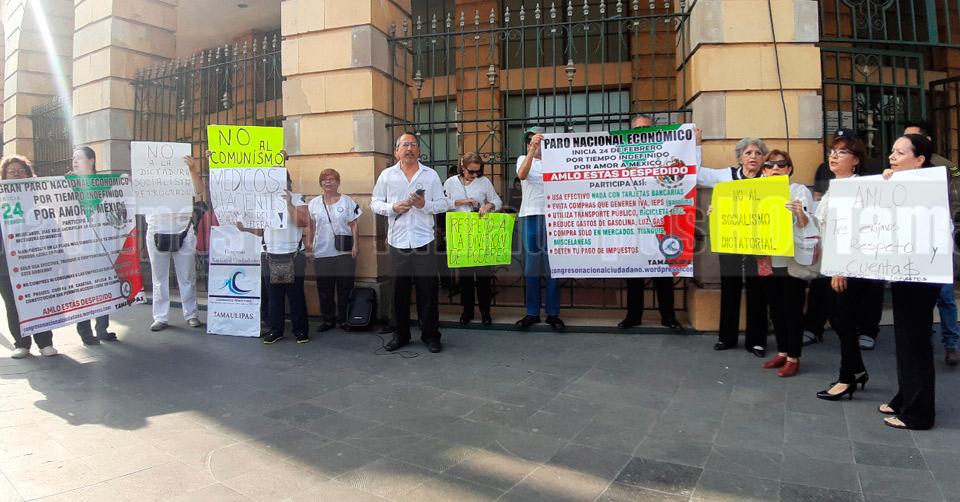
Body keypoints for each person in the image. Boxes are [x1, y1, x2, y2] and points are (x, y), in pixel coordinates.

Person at [876, 134, 943, 430]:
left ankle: (919, 413)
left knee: (915, 341)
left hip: (921, 276)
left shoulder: (930, 186)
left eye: (900, 153)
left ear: (919, 160)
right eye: (892, 151)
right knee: (904, 339)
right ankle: (905, 396)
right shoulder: (898, 183)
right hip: (902, 273)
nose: (892, 157)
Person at [370, 133, 447, 353]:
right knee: (399, 292)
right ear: (397, 151)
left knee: (428, 291)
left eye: (413, 145)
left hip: (424, 241)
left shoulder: (430, 175)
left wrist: (424, 205)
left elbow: (442, 204)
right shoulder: (387, 175)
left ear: (419, 151)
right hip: (398, 241)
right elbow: (374, 203)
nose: (409, 149)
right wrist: (392, 208)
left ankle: (431, 335)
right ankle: (400, 334)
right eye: (405, 145)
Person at [815, 135, 877, 400]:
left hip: (847, 267)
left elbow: (854, 232)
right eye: (833, 151)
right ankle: (857, 370)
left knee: (844, 319)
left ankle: (846, 378)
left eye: (842, 152)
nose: (834, 156)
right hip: (831, 264)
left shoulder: (856, 189)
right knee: (837, 318)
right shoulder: (835, 187)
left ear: (856, 160)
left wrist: (842, 269)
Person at [700, 138, 769, 357]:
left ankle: (757, 341)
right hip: (730, 242)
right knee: (730, 288)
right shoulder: (725, 176)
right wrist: (695, 145)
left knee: (758, 291)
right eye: (748, 153)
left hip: (759, 244)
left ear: (763, 159)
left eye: (758, 153)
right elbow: (697, 174)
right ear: (740, 157)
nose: (753, 157)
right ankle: (726, 338)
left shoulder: (769, 180)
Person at [902, 121, 960, 366]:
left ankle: (951, 344)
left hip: (937, 241)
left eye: (912, 137)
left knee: (945, 295)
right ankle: (921, 340)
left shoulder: (944, 166)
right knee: (916, 299)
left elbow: (955, 198)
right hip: (910, 244)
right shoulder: (899, 168)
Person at [619, 114, 683, 331]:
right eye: (637, 129)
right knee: (633, 273)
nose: (642, 133)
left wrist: (696, 146)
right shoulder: (622, 156)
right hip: (633, 221)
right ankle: (633, 316)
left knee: (663, 272)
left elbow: (684, 174)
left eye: (646, 128)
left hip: (660, 220)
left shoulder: (665, 153)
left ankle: (668, 317)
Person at [756, 150, 816, 377]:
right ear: (763, 170)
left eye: (781, 164)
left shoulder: (798, 190)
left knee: (792, 308)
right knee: (775, 308)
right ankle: (782, 351)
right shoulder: (755, 192)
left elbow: (807, 223)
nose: (775, 168)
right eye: (769, 165)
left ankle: (793, 357)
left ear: (789, 169)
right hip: (767, 259)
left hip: (792, 260)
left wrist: (799, 212)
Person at [238, 174, 310, 344]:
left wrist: (289, 204)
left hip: (293, 254)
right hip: (269, 254)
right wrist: (245, 228)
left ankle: (300, 330)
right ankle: (276, 330)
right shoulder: (263, 201)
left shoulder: (298, 198)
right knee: (273, 296)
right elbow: (260, 231)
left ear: (289, 182)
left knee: (296, 295)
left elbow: (302, 222)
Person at [0, 156, 57, 358]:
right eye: (11, 172)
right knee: (13, 305)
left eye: (20, 171)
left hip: (35, 261)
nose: (16, 174)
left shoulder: (38, 198)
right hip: (6, 264)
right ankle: (22, 344)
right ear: (4, 176)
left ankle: (45, 343)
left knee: (39, 301)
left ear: (28, 174)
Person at [145, 154, 206, 333]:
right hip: (156, 231)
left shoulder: (184, 177)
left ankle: (191, 314)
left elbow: (199, 190)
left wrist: (192, 169)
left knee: (187, 276)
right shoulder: (148, 180)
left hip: (183, 231)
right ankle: (160, 317)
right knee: (159, 278)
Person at [68, 147, 119, 344]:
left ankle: (102, 329)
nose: (74, 161)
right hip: (77, 247)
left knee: (102, 287)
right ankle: (85, 332)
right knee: (82, 289)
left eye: (79, 158)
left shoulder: (105, 184)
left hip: (100, 246)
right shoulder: (66, 184)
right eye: (73, 158)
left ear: (91, 161)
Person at [444, 152, 502, 325]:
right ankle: (467, 311)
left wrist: (488, 205)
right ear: (462, 167)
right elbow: (440, 204)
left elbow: (497, 201)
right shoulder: (450, 183)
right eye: (471, 171)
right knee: (465, 277)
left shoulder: (484, 182)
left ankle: (485, 311)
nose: (475, 175)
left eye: (478, 171)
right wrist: (461, 201)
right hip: (460, 233)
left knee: (484, 276)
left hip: (480, 232)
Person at [515, 127, 564, 331]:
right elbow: (522, 175)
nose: (534, 144)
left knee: (555, 268)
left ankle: (553, 313)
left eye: (537, 141)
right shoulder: (523, 158)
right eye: (530, 141)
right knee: (531, 268)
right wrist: (531, 151)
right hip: (531, 216)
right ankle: (532, 312)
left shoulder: (557, 160)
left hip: (555, 217)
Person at [307, 168, 361, 332]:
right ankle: (328, 320)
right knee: (325, 289)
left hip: (344, 252)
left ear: (338, 182)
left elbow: (354, 225)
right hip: (322, 252)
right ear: (320, 183)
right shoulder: (314, 203)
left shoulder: (347, 201)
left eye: (332, 179)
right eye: (324, 179)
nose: (328, 182)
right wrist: (309, 246)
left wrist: (356, 245)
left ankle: (344, 319)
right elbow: (311, 227)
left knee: (345, 288)